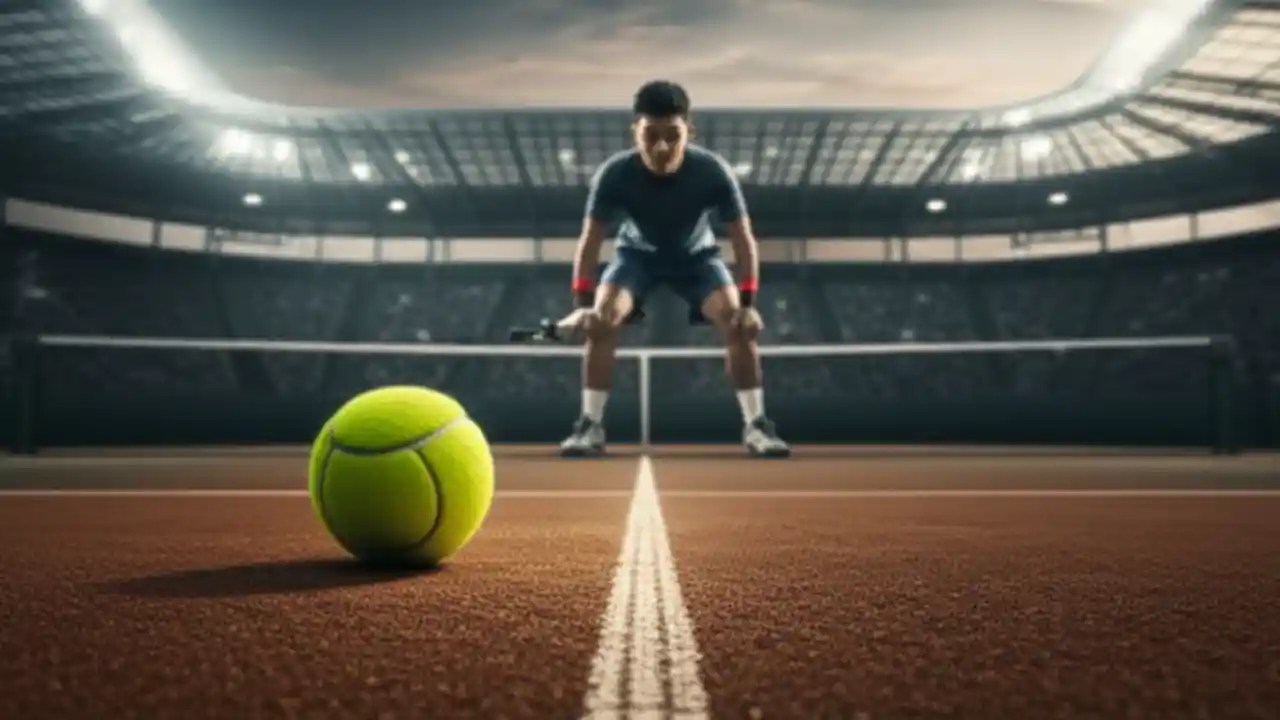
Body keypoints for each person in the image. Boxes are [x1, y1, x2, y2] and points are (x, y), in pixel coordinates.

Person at [556, 79, 791, 458]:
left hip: (696, 261)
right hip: (637, 260)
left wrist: (748, 302)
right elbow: (590, 240)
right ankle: (589, 425)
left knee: (738, 324)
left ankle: (757, 426)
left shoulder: (713, 171)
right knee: (600, 320)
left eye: (672, 135)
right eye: (651, 135)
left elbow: (744, 239)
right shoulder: (614, 174)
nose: (662, 147)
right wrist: (582, 304)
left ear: (688, 132)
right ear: (636, 131)